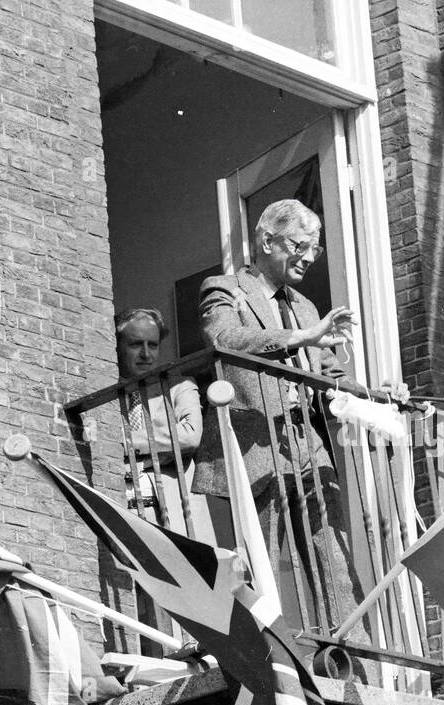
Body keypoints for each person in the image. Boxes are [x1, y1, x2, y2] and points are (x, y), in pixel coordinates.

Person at [192, 199, 372, 661]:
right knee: (262, 554)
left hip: (304, 441)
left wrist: (369, 393)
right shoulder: (225, 287)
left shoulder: (307, 306)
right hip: (252, 439)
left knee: (331, 547)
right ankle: (269, 655)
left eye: (315, 249)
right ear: (267, 240)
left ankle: (352, 652)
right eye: (299, 245)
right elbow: (225, 339)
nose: (309, 257)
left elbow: (325, 374)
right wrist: (299, 339)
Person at [114, 307, 213, 543]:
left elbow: (190, 436)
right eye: (136, 344)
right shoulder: (104, 393)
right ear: (116, 345)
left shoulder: (180, 386)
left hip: (176, 511)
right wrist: (165, 447)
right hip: (122, 505)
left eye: (153, 345)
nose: (146, 354)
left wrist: (125, 442)